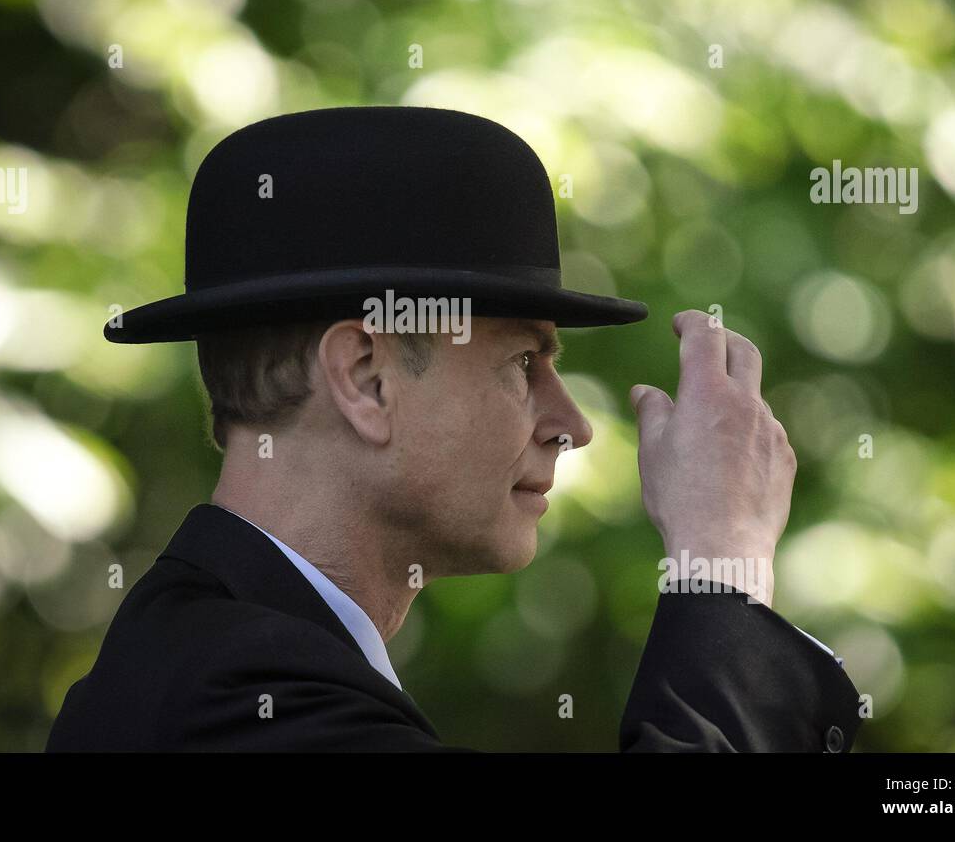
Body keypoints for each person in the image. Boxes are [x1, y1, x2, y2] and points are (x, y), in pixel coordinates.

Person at [46, 106, 862, 752]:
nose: (571, 424)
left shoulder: (231, 658)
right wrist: (721, 560)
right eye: (523, 364)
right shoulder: (239, 692)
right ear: (365, 377)